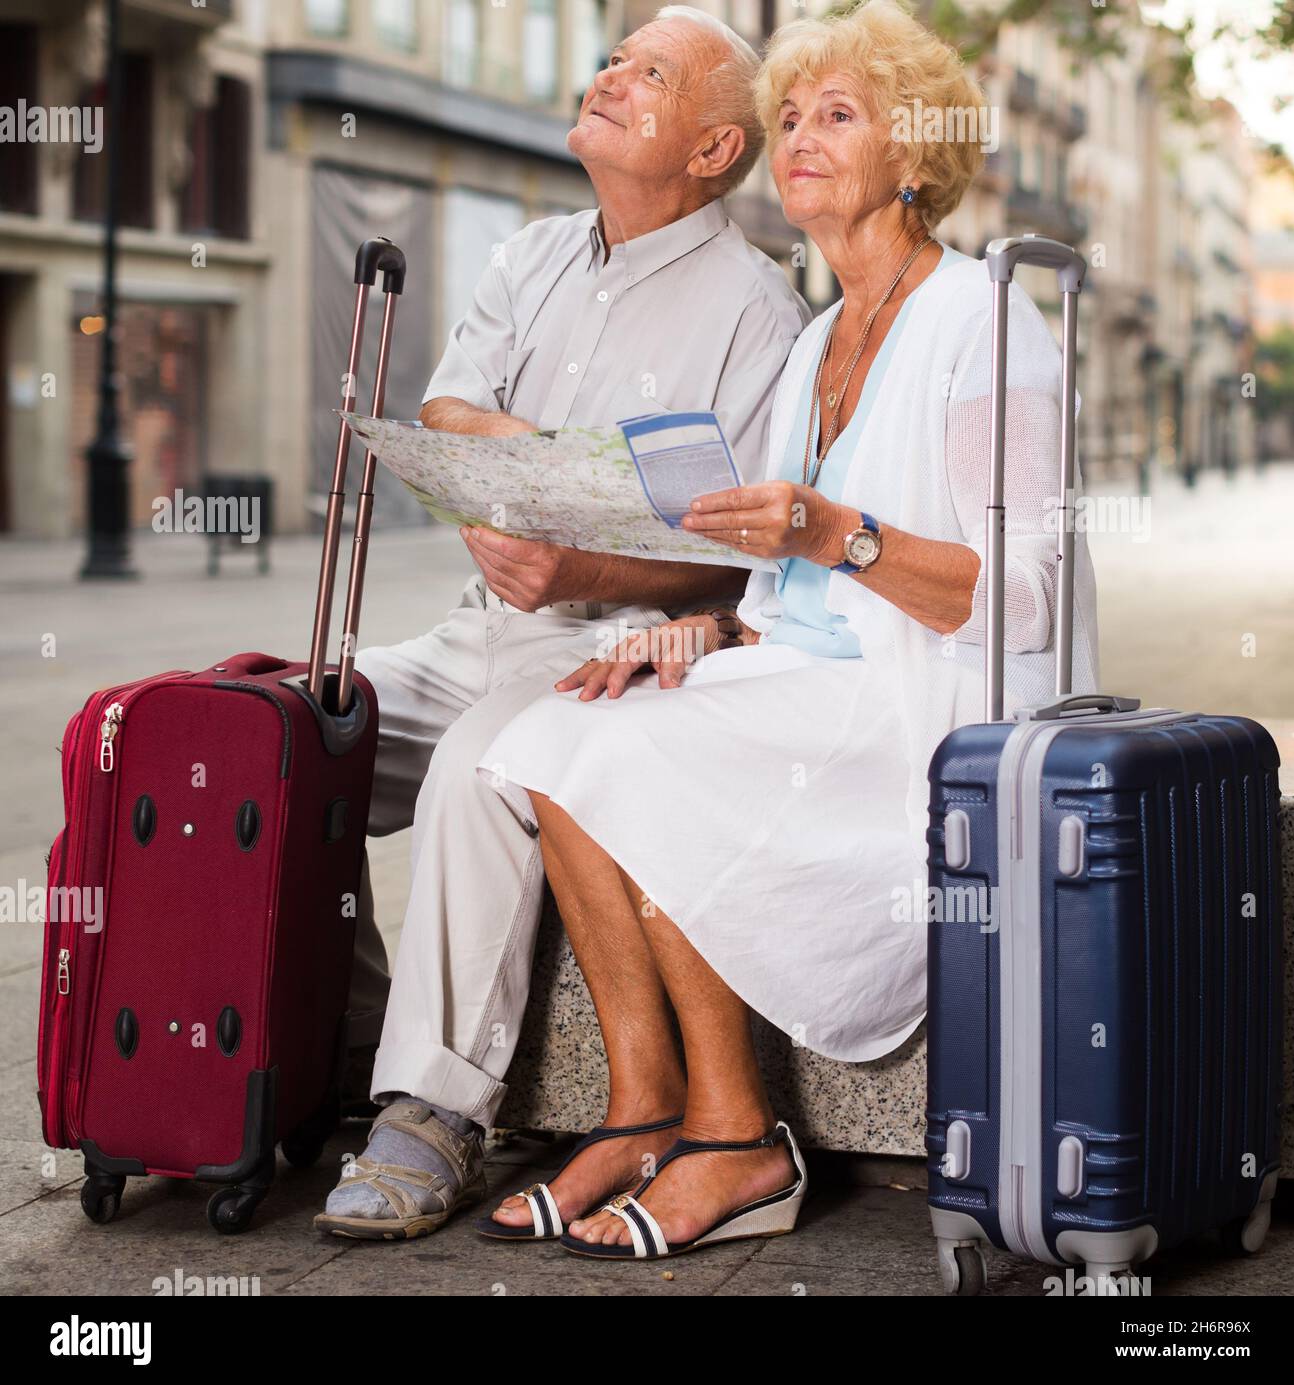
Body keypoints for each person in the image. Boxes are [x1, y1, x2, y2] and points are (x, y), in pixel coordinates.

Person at [473, 0, 1100, 1259]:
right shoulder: (819, 333)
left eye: (840, 114)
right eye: (791, 116)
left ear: (915, 158)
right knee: (559, 728)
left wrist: (836, 531)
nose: (801, 137)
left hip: (937, 706)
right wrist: (691, 639)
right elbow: (781, 606)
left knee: (644, 759)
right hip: (822, 681)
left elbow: (1019, 596)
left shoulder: (984, 319)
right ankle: (646, 1109)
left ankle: (743, 1139)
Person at [315, 6, 811, 1240]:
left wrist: (574, 534)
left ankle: (430, 1109)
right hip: (476, 617)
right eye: (615, 56)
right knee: (291, 733)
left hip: (613, 648)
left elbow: (730, 546)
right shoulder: (528, 253)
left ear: (711, 151)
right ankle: (336, 1028)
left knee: (478, 778)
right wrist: (574, 477)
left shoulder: (760, 309)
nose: (609, 74)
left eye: (650, 74)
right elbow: (447, 409)